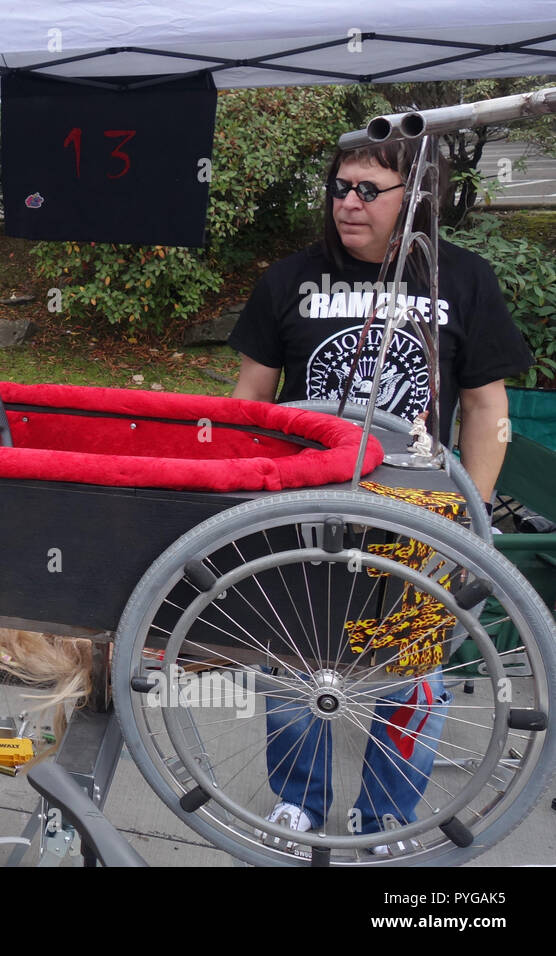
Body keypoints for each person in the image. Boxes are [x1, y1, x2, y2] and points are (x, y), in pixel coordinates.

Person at [228, 138, 532, 854]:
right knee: (297, 658)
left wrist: (473, 511)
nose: (347, 203)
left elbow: (489, 409)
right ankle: (298, 800)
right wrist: (243, 493)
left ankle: (389, 812)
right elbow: (248, 399)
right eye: (340, 187)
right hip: (307, 503)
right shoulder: (289, 280)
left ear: (416, 201)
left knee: (411, 667)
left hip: (420, 509)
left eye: (369, 190)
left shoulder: (464, 279)